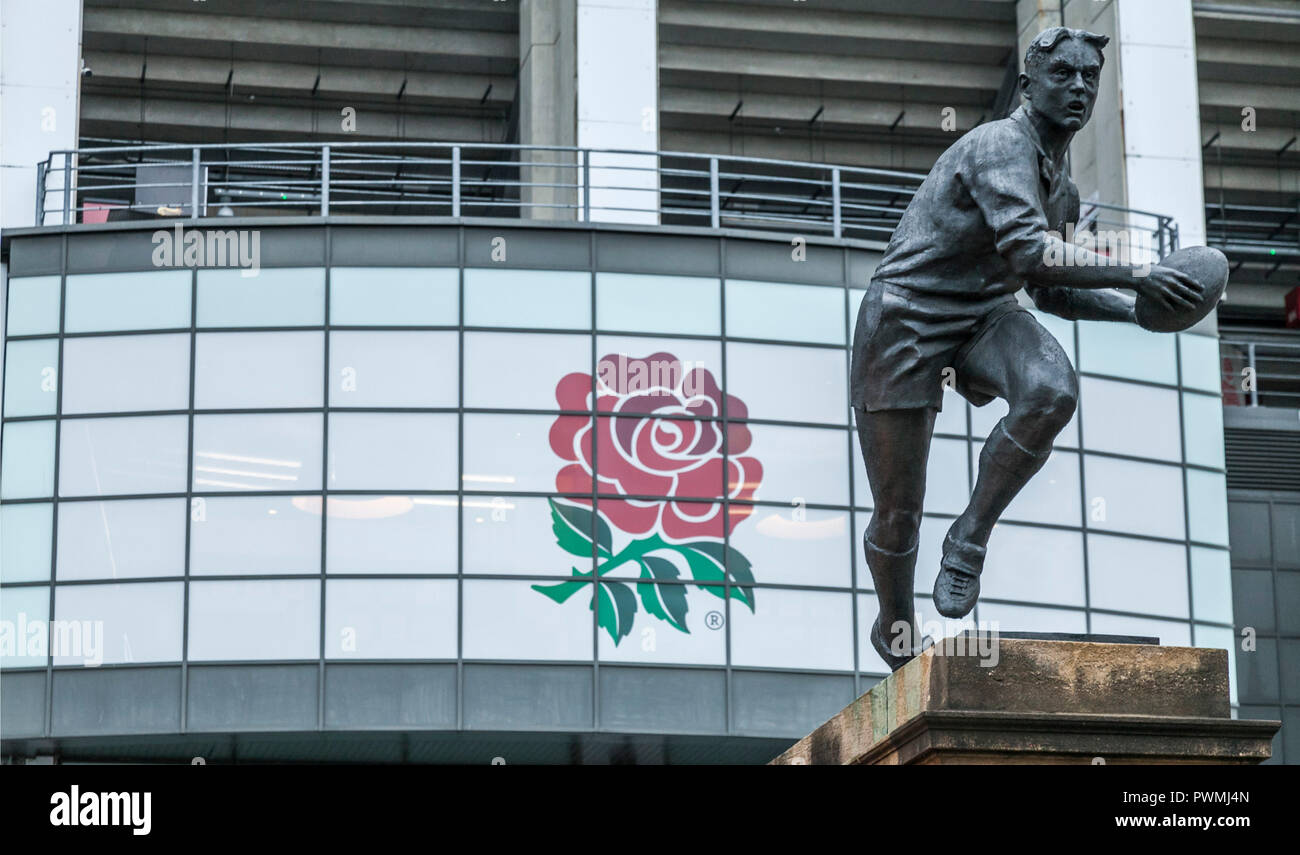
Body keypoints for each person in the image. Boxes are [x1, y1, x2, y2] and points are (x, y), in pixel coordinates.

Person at [850, 26, 1204, 671]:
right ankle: (894, 622)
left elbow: (1049, 288)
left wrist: (1137, 314)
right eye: (1063, 74)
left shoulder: (1061, 190)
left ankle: (968, 542)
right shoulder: (997, 145)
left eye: (1089, 77)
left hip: (984, 316)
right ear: (1028, 84)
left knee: (1051, 389)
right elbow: (1029, 249)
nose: (1078, 87)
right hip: (904, 318)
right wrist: (1136, 272)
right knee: (898, 511)